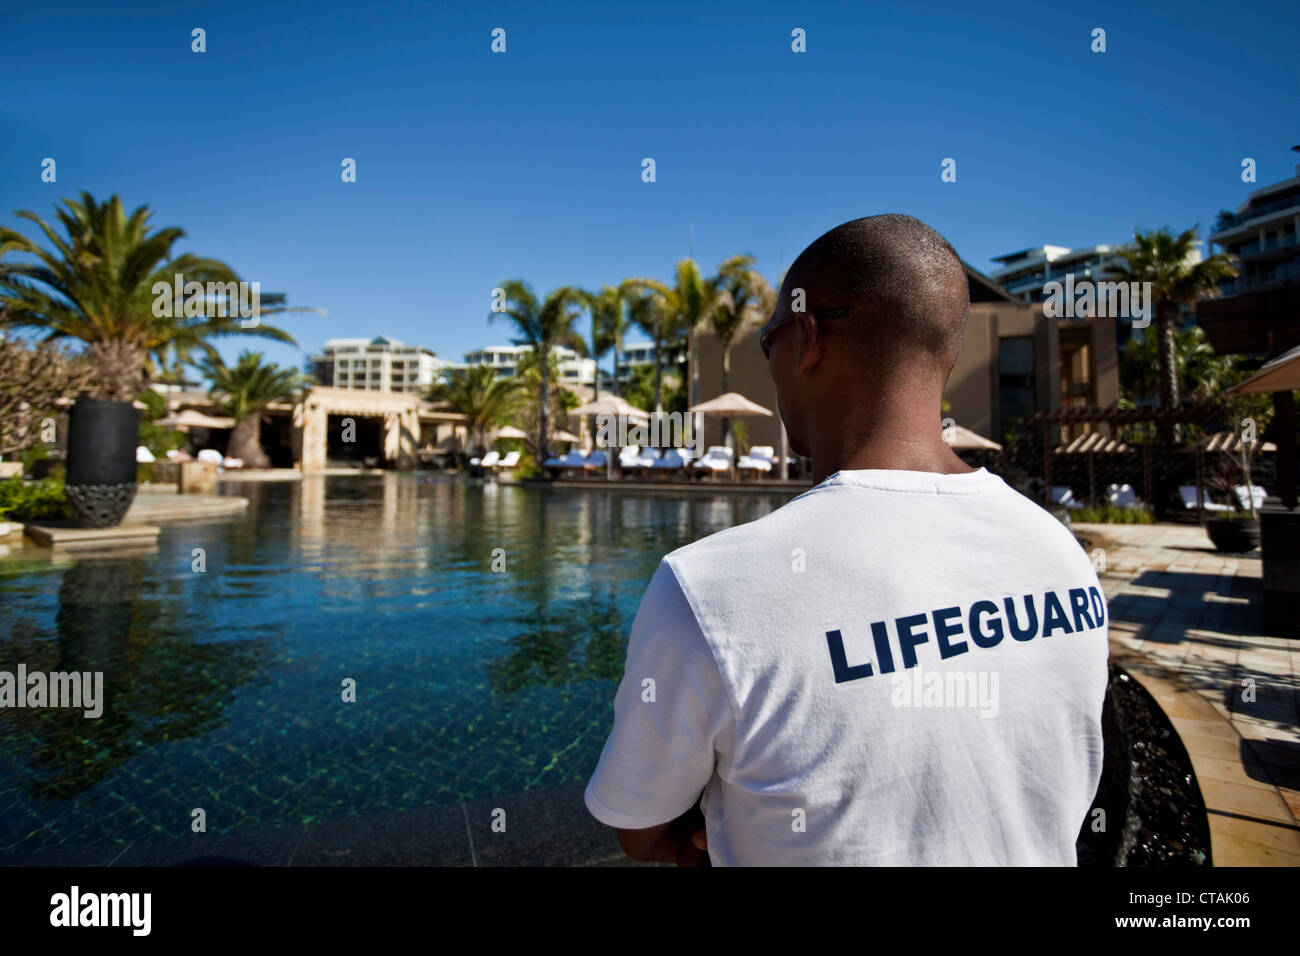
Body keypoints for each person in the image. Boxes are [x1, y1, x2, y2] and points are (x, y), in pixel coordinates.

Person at [583, 214, 1110, 866]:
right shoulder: (1061, 554)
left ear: (805, 338)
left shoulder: (711, 590)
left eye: (767, 340)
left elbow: (642, 828)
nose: (769, 360)